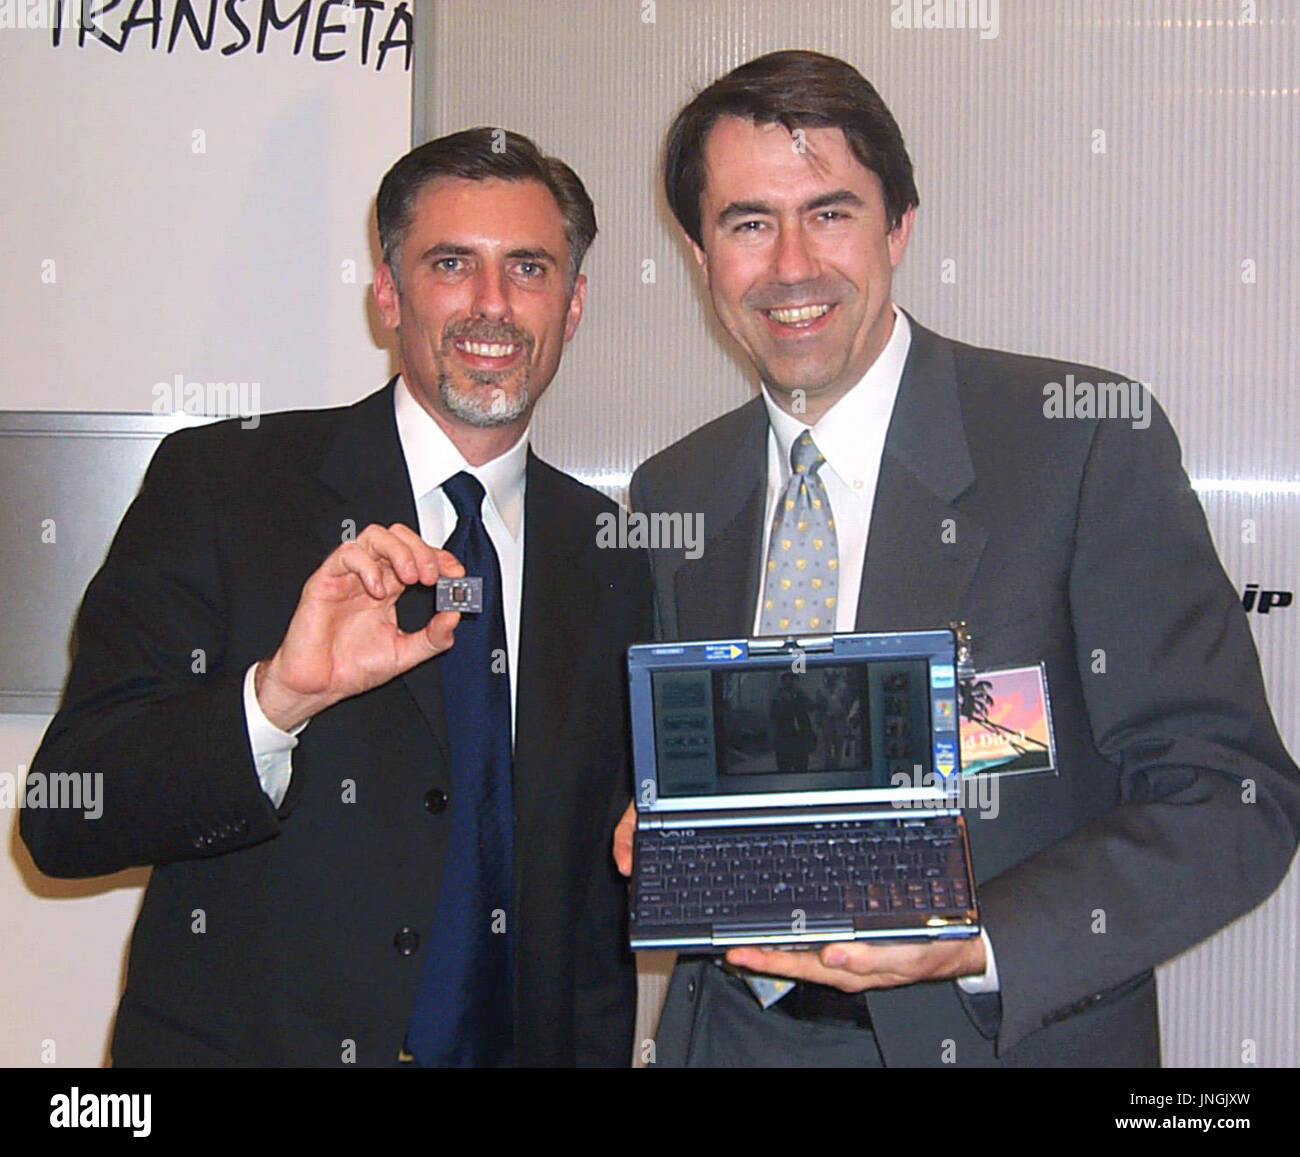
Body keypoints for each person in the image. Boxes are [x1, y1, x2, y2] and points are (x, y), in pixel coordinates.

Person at [616, 50, 1300, 1066]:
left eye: (832, 211)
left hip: (990, 1034)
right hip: (730, 1035)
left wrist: (969, 938)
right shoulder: (676, 490)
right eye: (748, 221)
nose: (791, 264)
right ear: (697, 249)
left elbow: (1231, 796)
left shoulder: (1077, 443)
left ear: (899, 227)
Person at [22, 127, 651, 1067]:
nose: (491, 305)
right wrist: (275, 701)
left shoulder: (612, 550)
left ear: (574, 301)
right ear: (388, 293)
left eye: (528, 267)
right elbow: (66, 815)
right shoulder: (224, 482)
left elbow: (592, 910)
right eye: (451, 264)